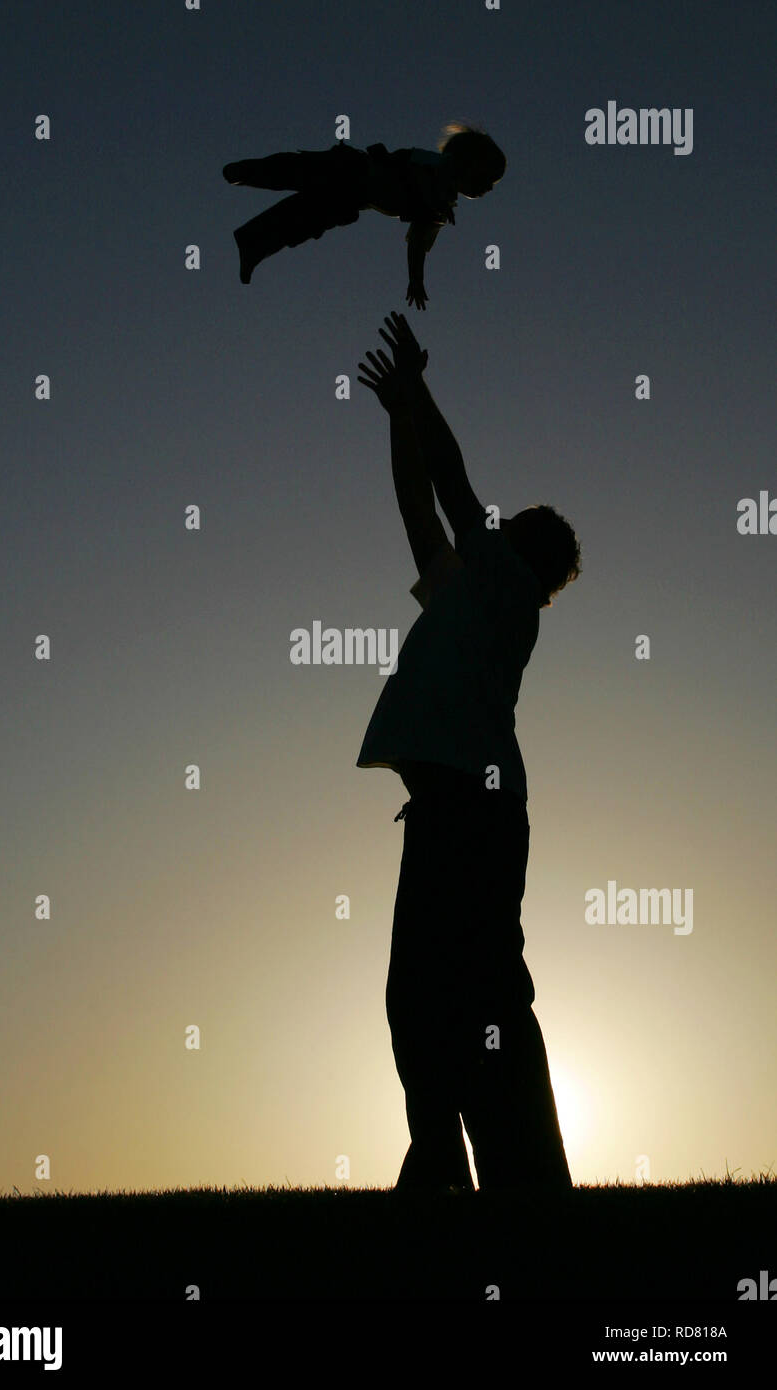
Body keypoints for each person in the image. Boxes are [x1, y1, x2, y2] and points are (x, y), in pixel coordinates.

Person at [355, 312, 581, 1194]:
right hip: (459, 805)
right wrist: (397, 418)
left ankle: (471, 1172)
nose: (494, 528)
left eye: (508, 525)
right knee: (446, 995)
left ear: (527, 553)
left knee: (456, 994)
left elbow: (453, 487)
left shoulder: (510, 591)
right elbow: (422, 508)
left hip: (474, 807)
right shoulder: (469, 595)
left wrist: (419, 394)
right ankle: (464, 1167)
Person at [222, 123, 505, 308]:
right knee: (302, 170)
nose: (489, 188)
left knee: (303, 218)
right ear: (466, 162)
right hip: (355, 168)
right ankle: (249, 172)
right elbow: (406, 160)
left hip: (354, 198)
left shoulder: (439, 209)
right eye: (487, 178)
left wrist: (416, 279)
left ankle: (252, 243)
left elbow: (418, 245)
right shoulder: (435, 166)